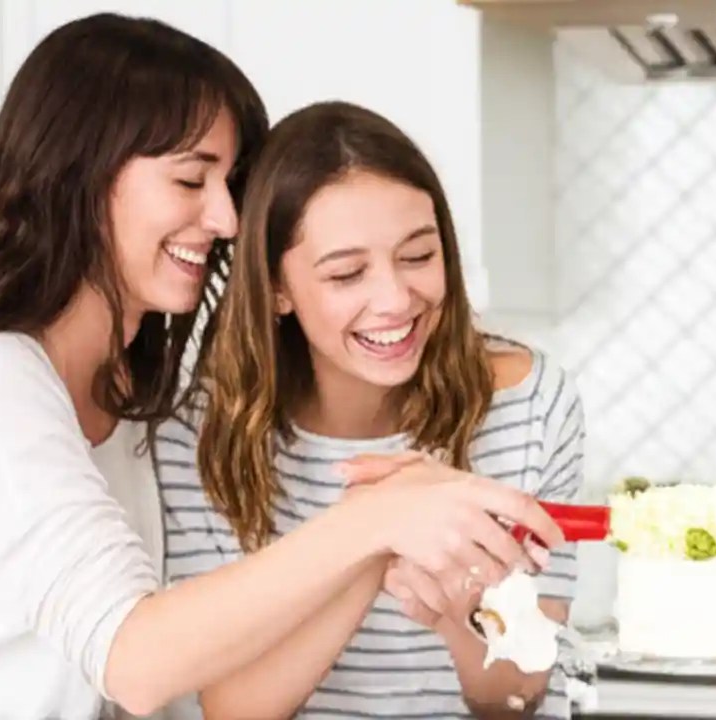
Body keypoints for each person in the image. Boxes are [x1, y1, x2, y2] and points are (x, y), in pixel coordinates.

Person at [0, 15, 562, 720]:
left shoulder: (128, 394)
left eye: (230, 184)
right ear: (80, 179)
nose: (226, 220)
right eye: (191, 180)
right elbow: (134, 659)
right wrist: (373, 523)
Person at [155, 100, 587, 719]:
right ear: (277, 287)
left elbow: (516, 700)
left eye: (417, 256)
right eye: (346, 274)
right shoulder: (202, 428)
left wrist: (461, 597)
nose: (394, 299)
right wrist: (377, 528)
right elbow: (235, 709)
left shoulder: (530, 405)